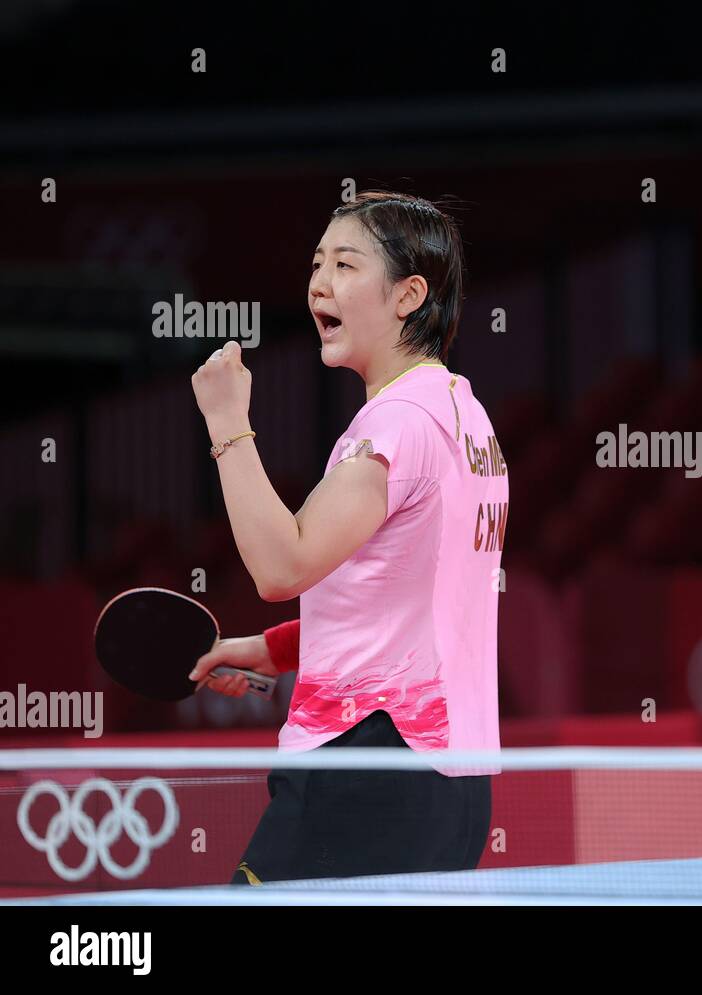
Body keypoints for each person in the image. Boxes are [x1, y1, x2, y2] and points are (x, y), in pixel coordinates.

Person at [188, 191, 506, 883]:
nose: (318, 283)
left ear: (408, 294)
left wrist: (225, 423)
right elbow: (410, 600)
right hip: (452, 783)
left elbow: (281, 565)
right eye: (316, 264)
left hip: (367, 766)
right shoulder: (466, 417)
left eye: (345, 264)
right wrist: (270, 649)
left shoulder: (392, 428)